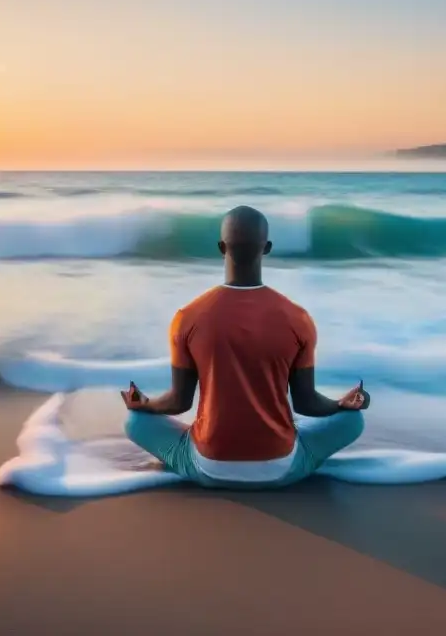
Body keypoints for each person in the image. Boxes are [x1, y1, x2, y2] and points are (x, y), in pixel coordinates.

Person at [120, 205, 369, 488]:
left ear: (221, 247)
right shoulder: (297, 318)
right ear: (267, 248)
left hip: (209, 466)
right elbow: (307, 403)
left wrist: (145, 404)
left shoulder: (187, 317)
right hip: (280, 468)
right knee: (353, 421)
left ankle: (190, 453)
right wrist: (341, 404)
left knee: (135, 422)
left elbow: (179, 402)